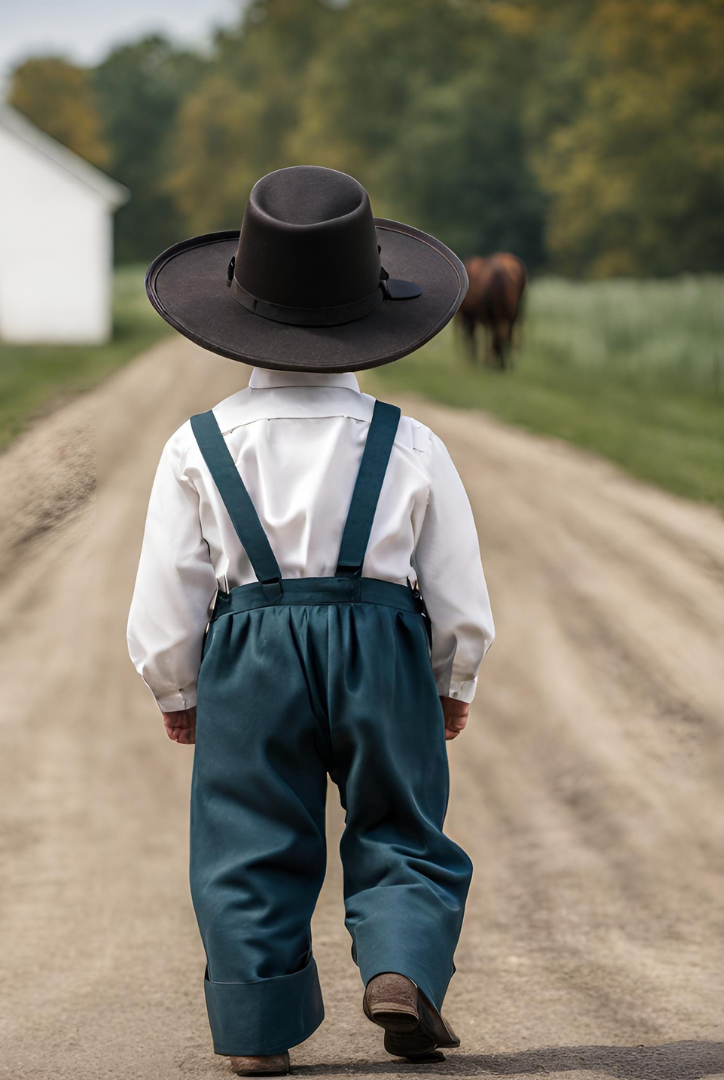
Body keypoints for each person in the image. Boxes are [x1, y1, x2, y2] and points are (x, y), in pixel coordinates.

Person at [127, 166, 494, 1076]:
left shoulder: (198, 445)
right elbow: (454, 582)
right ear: (370, 316)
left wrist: (175, 685)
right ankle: (402, 969)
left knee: (248, 835)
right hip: (380, 645)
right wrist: (452, 677)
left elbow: (169, 582)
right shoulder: (407, 440)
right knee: (401, 822)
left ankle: (257, 1031)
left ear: (238, 316)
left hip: (251, 651)